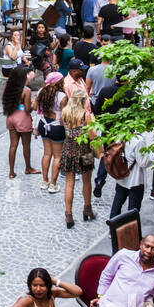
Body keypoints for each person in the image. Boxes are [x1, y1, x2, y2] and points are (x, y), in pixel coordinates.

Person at [59, 90, 100, 228]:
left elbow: (62, 126)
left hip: (68, 149)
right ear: (83, 100)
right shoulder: (85, 115)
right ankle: (87, 209)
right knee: (86, 181)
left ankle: (68, 215)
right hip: (85, 151)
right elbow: (92, 136)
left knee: (69, 182)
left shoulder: (64, 112)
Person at [1, 64, 38, 179]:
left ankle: (11, 172)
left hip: (11, 116)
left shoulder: (9, 87)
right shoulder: (26, 90)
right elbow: (27, 109)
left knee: (13, 145)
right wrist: (34, 103)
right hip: (22, 118)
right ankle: (28, 168)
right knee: (26, 145)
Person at [109, 130, 154, 220]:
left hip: (121, 176)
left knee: (117, 204)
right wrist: (153, 154)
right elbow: (143, 163)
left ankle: (113, 228)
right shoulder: (139, 140)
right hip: (135, 179)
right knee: (133, 210)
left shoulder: (121, 134)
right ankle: (131, 231)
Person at [35, 72, 67, 193]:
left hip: (43, 124)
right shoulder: (62, 96)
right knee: (57, 156)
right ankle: (53, 184)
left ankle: (44, 181)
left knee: (47, 153)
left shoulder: (40, 92)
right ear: (58, 82)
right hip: (57, 126)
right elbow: (63, 116)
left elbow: (35, 107)